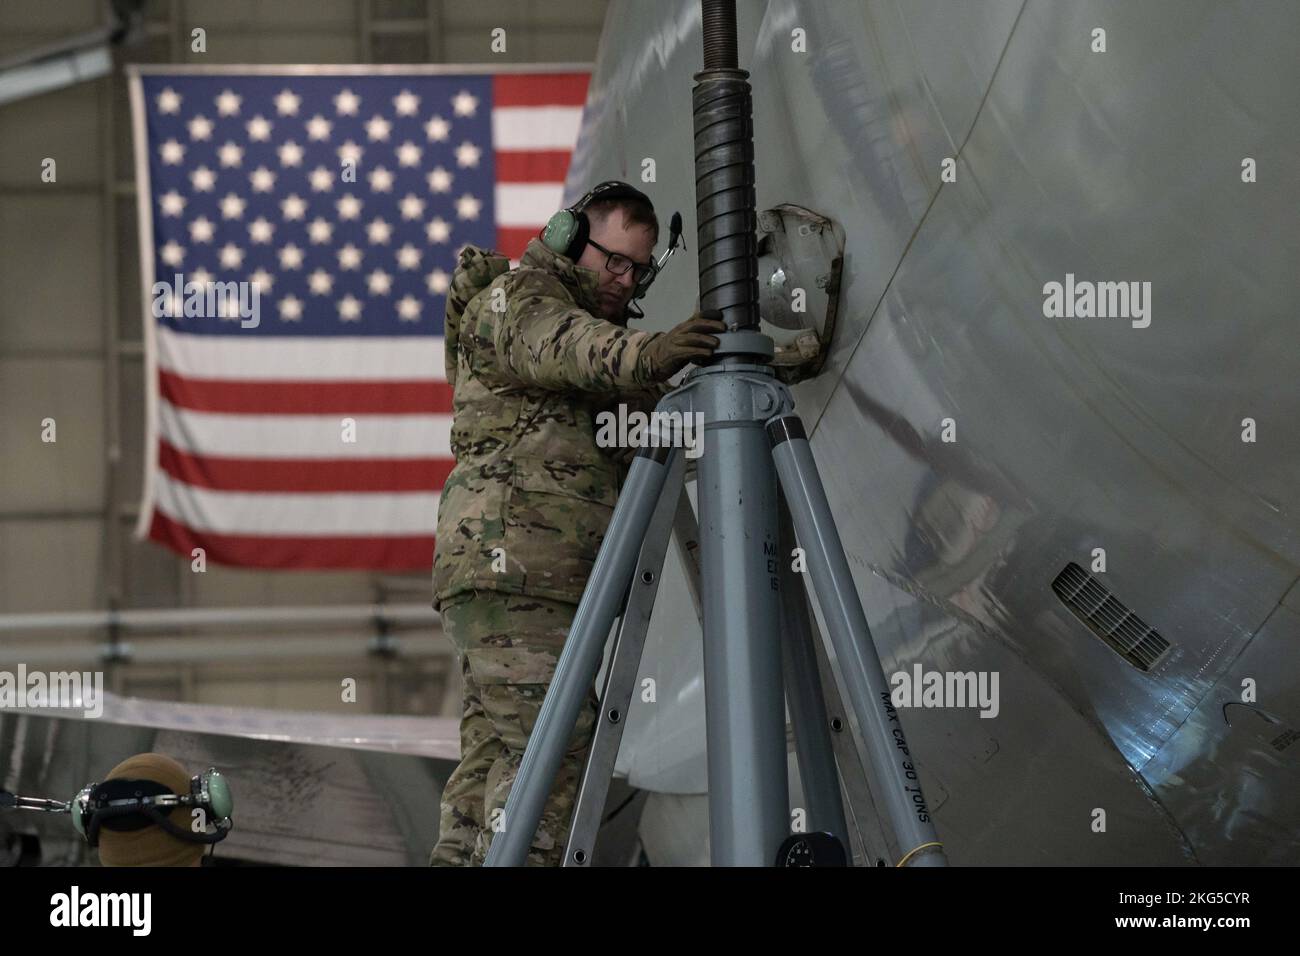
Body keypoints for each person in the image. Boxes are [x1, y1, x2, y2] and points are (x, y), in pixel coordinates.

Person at [429, 181, 726, 866]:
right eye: (613, 261)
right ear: (567, 238)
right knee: (555, 759)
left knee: (484, 782)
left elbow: (654, 389)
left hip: (529, 584)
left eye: (638, 269)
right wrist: (651, 353)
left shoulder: (602, 351)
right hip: (513, 573)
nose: (624, 281)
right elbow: (567, 345)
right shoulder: (516, 302)